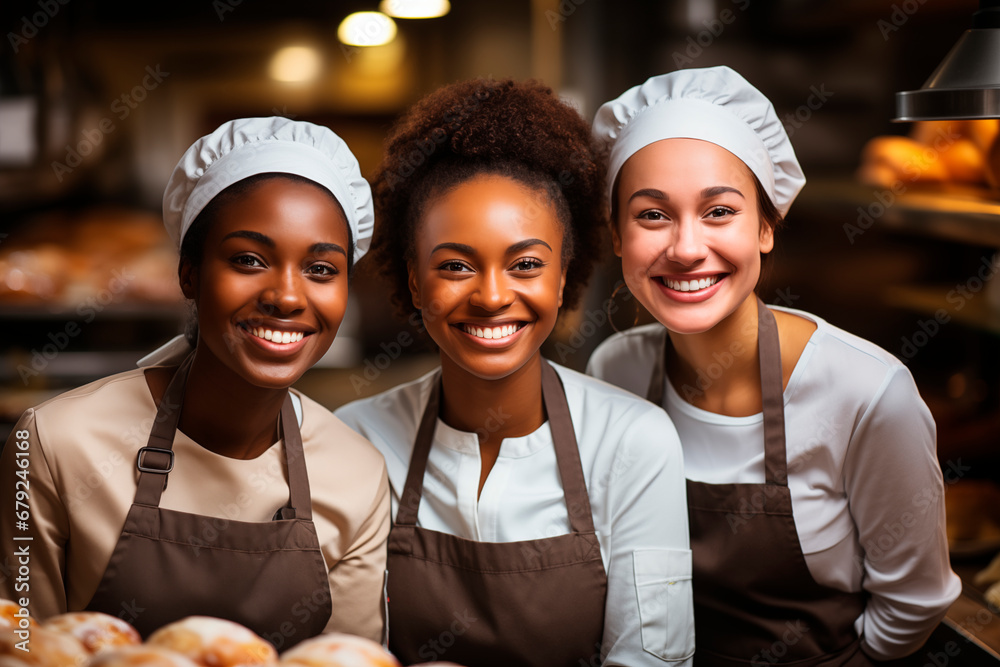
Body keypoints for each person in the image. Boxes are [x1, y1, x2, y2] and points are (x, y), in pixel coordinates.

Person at [586, 66, 962, 665]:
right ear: (615, 235)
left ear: (765, 225)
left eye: (719, 212)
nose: (685, 248)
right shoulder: (616, 373)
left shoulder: (866, 393)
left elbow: (915, 601)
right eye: (652, 215)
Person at [335, 78, 694, 667]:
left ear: (563, 276)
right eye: (455, 265)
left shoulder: (634, 441)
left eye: (525, 263)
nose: (492, 296)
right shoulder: (358, 440)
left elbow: (652, 659)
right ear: (413, 280)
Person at [0, 117, 391, 650]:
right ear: (188, 272)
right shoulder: (53, 442)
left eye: (322, 269)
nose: (287, 296)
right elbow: (21, 649)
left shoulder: (356, 475)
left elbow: (348, 662)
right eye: (248, 260)